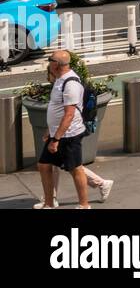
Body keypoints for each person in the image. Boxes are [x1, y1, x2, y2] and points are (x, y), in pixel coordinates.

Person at [36, 51, 112, 210]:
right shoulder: (59, 79)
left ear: (56, 64)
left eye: (50, 61)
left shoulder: (70, 84)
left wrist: (56, 139)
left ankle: (84, 205)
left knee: (75, 169)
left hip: (69, 134)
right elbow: (56, 108)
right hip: (58, 132)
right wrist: (50, 130)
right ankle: (49, 203)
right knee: (44, 165)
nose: (48, 64)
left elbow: (69, 115)